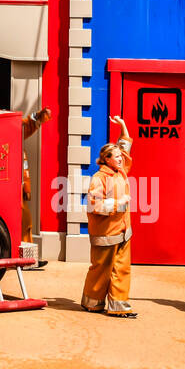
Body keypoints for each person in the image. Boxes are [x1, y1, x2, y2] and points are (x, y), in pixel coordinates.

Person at [82, 115, 136, 317]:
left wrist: (122, 124)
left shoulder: (120, 171)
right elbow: (93, 205)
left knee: (122, 269)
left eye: (121, 156)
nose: (121, 158)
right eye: (116, 156)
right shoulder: (99, 178)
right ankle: (92, 303)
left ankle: (119, 306)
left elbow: (125, 144)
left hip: (123, 232)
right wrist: (118, 203)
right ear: (106, 159)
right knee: (101, 270)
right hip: (105, 234)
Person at [21, 107, 52, 267]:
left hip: (17, 188)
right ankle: (25, 260)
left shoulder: (15, 134)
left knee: (25, 222)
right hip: (8, 189)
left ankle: (27, 260)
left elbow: (27, 124)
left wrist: (26, 188)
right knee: (23, 221)